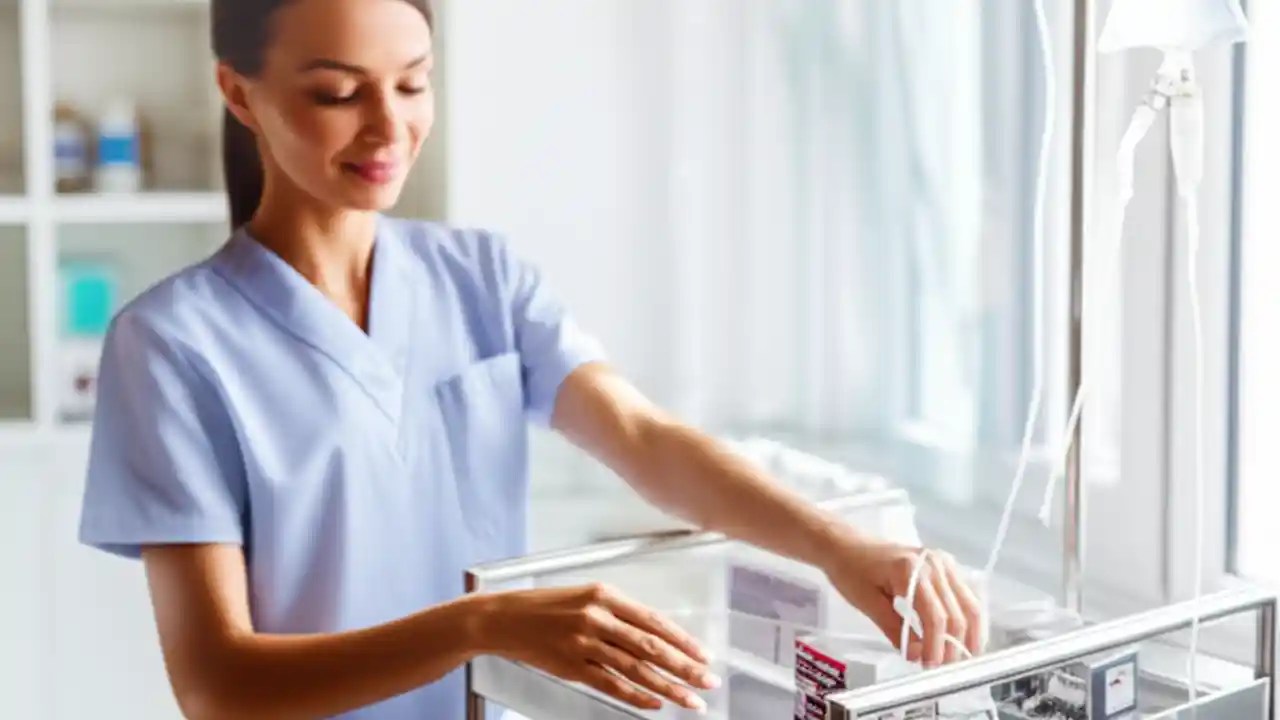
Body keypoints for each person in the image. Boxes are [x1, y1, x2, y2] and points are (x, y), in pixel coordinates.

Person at [77, 0, 984, 718]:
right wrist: (486, 624)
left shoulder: (481, 275)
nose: (388, 128)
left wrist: (840, 547)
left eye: (413, 83)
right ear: (240, 94)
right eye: (338, 92)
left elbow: (642, 437)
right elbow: (218, 687)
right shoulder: (172, 345)